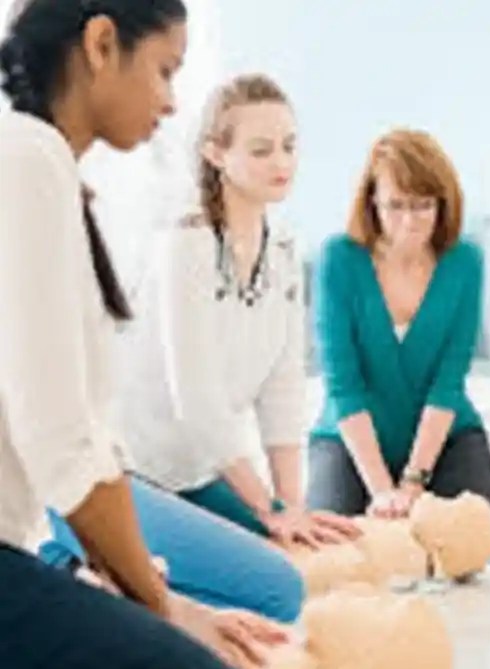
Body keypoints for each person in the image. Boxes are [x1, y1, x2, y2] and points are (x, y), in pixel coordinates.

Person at [0, 1, 277, 669]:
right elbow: (61, 442)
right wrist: (162, 608)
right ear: (100, 44)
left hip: (21, 543)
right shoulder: (26, 160)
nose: (171, 101)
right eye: (164, 70)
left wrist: (150, 599)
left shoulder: (38, 162)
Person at [103, 74, 356, 548]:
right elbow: (197, 401)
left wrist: (291, 508)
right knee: (256, 576)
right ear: (215, 154)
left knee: (286, 555)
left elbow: (283, 388)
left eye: (289, 146)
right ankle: (72, 557)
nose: (281, 162)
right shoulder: (186, 244)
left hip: (200, 473)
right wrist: (267, 508)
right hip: (129, 474)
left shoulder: (283, 250)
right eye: (261, 151)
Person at [308, 128, 490, 543]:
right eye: (395, 205)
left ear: (442, 203)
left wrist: (413, 483)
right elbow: (344, 387)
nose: (409, 221)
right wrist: (383, 492)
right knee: (332, 543)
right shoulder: (338, 260)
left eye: (422, 206)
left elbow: (449, 382)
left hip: (443, 436)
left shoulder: (464, 261)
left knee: (486, 537)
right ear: (372, 202)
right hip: (352, 440)